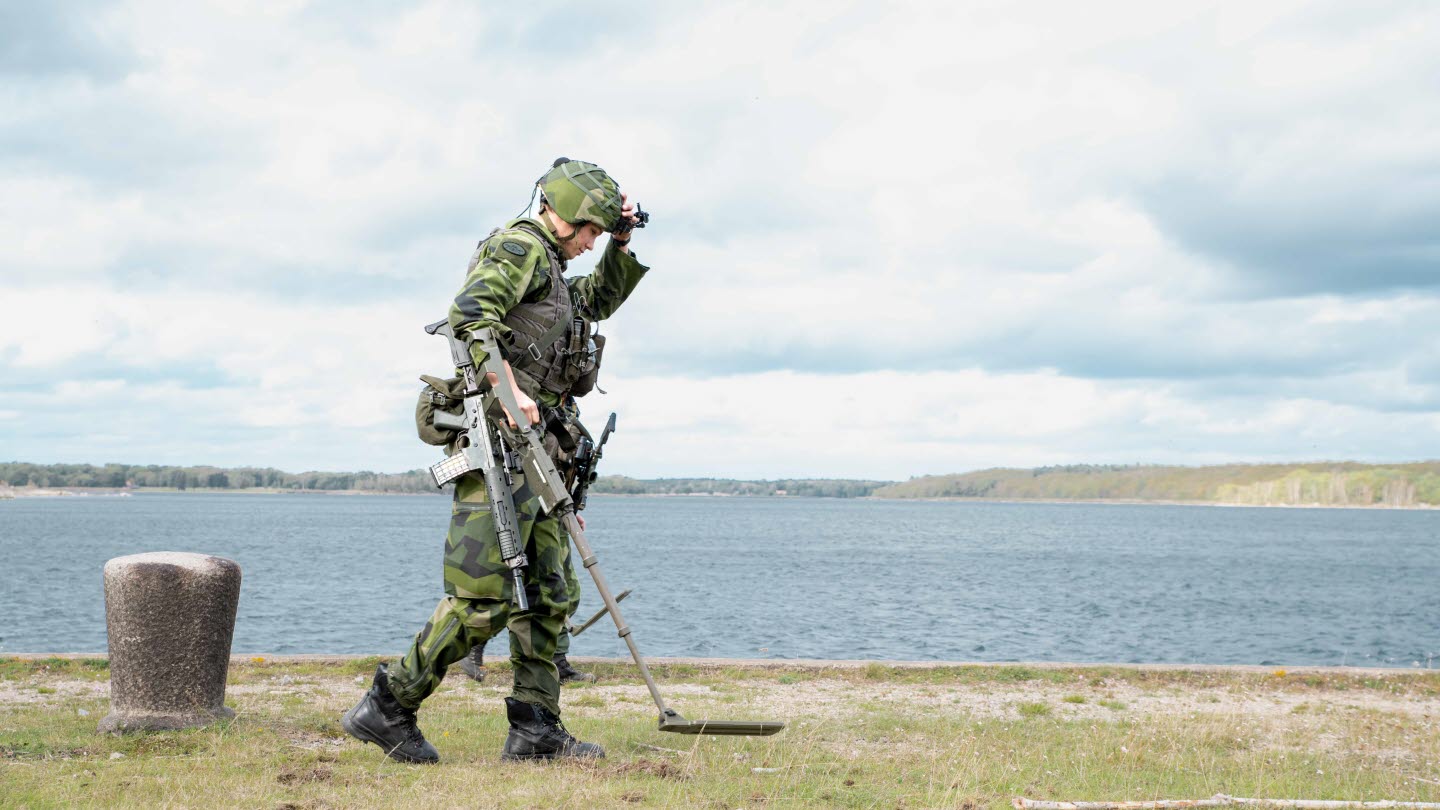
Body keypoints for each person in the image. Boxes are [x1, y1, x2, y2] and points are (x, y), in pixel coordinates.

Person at [342, 158, 649, 764]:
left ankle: (536, 729)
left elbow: (595, 302)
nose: (591, 242)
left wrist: (622, 242)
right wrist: (510, 394)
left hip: (542, 453)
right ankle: (387, 705)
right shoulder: (518, 248)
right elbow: (470, 315)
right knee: (481, 597)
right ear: (566, 212)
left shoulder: (554, 270)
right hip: (502, 448)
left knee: (550, 590)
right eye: (592, 229)